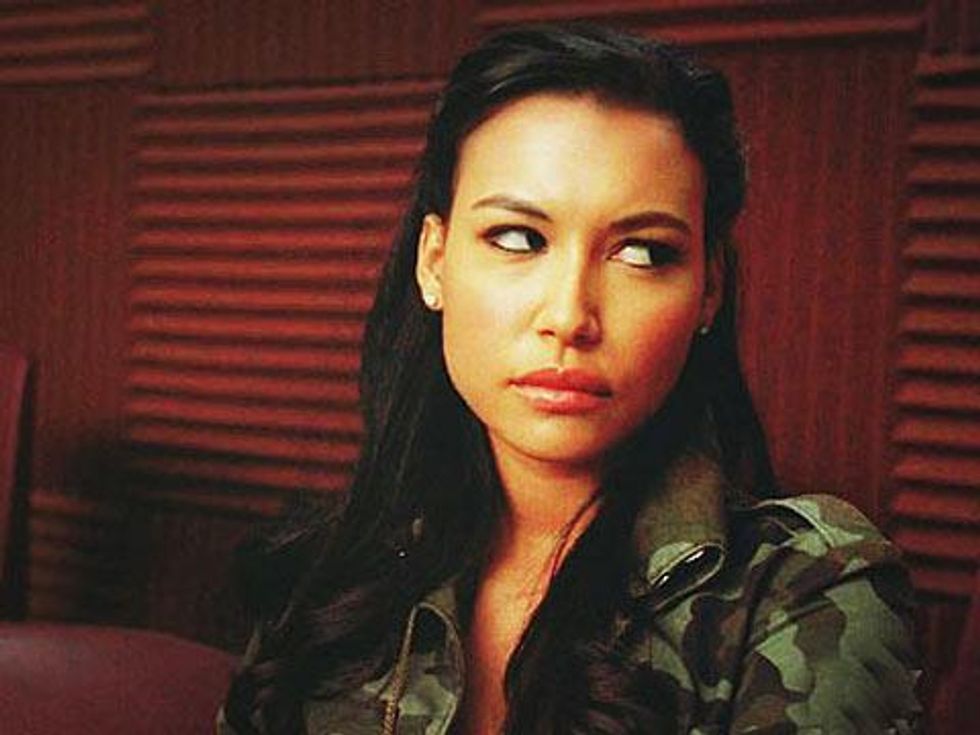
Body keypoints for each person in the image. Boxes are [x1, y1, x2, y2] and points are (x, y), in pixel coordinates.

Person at [218, 24, 921, 734]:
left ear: (708, 290)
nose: (568, 316)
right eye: (518, 238)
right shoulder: (331, 573)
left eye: (642, 252)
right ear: (434, 262)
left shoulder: (805, 588)